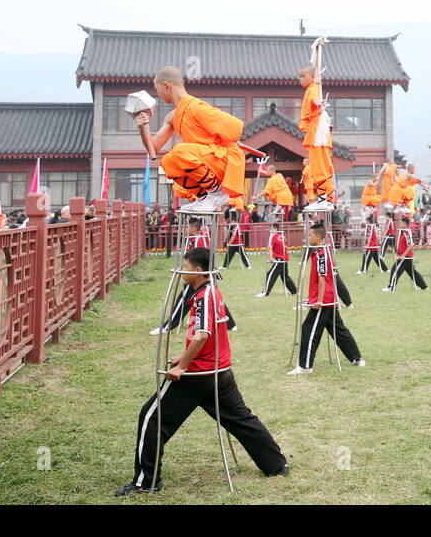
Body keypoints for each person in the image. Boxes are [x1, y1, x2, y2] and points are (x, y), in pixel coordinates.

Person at [118, 247, 288, 495]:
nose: (183, 272)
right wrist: (183, 355)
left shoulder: (203, 296)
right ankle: (276, 464)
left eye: (186, 267)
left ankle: (146, 482)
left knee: (151, 418)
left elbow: (202, 334)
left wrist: (183, 365)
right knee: (241, 419)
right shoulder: (212, 292)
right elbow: (207, 336)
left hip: (199, 374)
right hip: (220, 371)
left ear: (198, 270)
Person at [134, 67, 247, 213]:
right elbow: (153, 149)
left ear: (166, 86)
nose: (158, 95)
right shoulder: (172, 116)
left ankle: (217, 193)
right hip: (203, 161)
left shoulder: (196, 107)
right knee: (168, 161)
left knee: (179, 150)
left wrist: (223, 139)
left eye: (157, 89)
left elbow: (235, 129)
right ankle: (205, 198)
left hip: (223, 161)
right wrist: (143, 128)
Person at [288, 223, 365, 375]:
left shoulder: (322, 253)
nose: (307, 237)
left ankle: (305, 366)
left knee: (309, 330)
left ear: (317, 237)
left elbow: (323, 278)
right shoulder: (317, 252)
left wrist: (319, 300)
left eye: (310, 235)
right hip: (325, 299)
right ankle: (357, 358)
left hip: (324, 301)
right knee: (338, 329)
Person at [299, 51, 335, 209]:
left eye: (303, 76)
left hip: (317, 131)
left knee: (318, 165)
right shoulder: (313, 86)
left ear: (311, 77)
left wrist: (319, 102)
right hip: (318, 130)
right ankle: (324, 199)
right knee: (321, 164)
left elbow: (315, 99)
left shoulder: (312, 88)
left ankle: (322, 200)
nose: (300, 79)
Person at [384, 210, 427, 291]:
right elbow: (401, 245)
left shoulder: (407, 233)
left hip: (406, 257)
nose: (400, 225)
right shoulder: (402, 233)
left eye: (402, 223)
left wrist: (403, 255)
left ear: (406, 224)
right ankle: (424, 286)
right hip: (404, 257)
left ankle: (391, 287)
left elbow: (411, 246)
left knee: (395, 270)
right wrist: (394, 250)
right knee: (413, 273)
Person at [257, 220, 297, 298]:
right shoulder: (282, 236)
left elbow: (270, 247)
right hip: (285, 258)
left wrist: (271, 257)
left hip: (280, 259)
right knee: (284, 276)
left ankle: (265, 292)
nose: (270, 230)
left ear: (275, 228)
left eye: (271, 228)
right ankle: (294, 291)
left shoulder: (274, 236)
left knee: (270, 274)